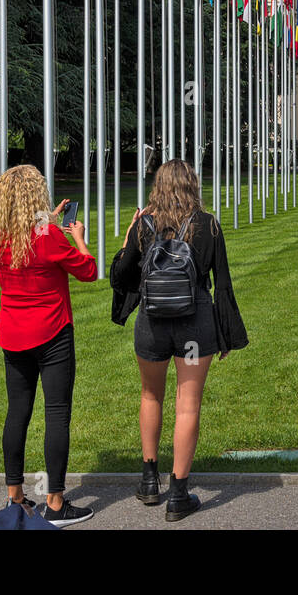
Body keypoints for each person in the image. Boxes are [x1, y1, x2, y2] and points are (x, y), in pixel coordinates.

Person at [110, 159, 247, 523]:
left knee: (150, 395)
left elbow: (120, 278)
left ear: (158, 185)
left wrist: (127, 242)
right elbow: (224, 283)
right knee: (188, 406)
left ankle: (149, 479)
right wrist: (226, 335)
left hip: (152, 323)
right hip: (195, 322)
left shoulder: (145, 224)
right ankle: (179, 494)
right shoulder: (208, 225)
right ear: (193, 186)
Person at [0, 165, 97, 527]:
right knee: (57, 413)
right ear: (35, 197)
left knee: (18, 412)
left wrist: (49, 219)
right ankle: (56, 503)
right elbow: (88, 270)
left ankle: (14, 497)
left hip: (14, 336)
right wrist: (77, 235)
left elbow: (28, 232)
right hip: (53, 332)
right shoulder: (49, 236)